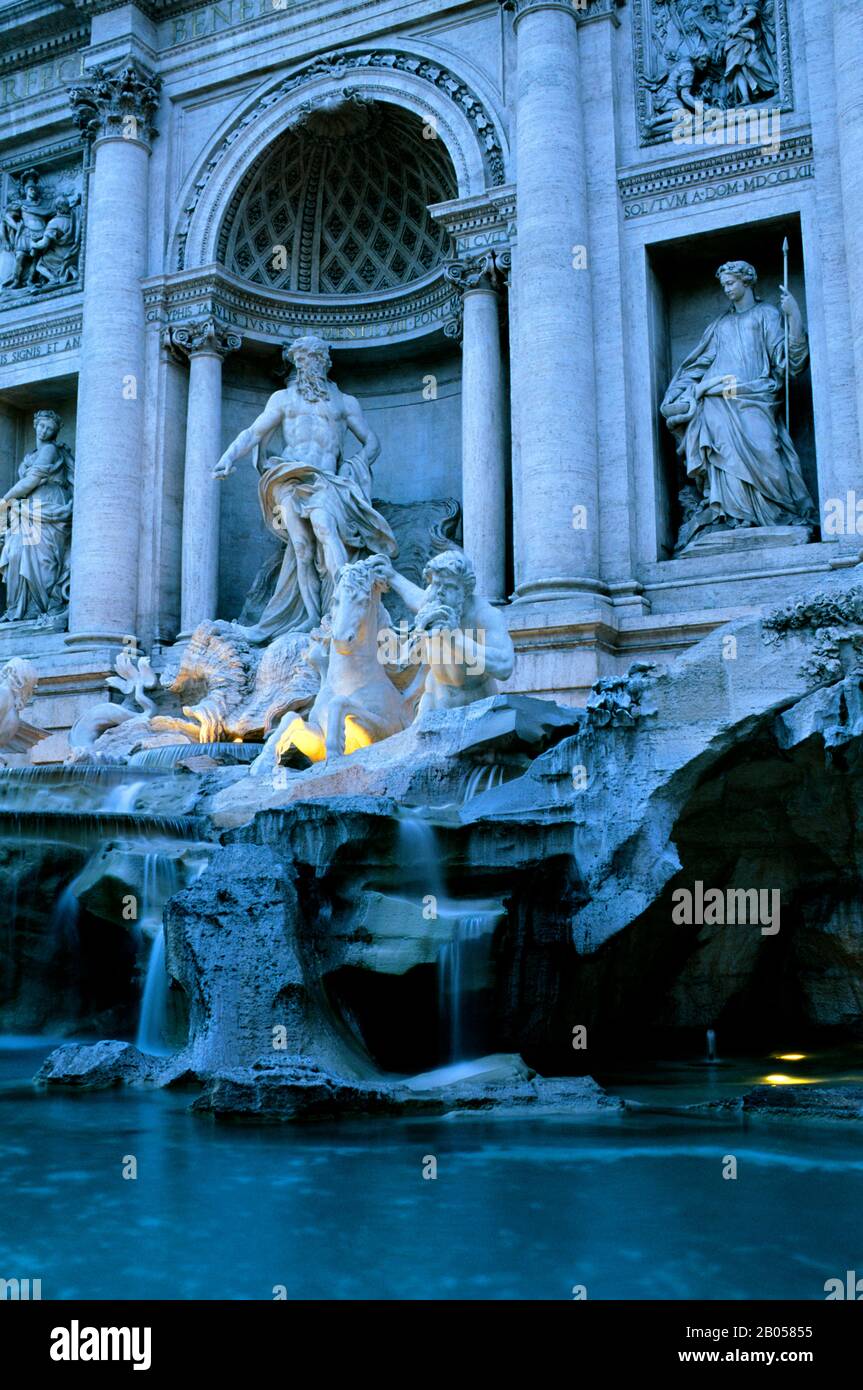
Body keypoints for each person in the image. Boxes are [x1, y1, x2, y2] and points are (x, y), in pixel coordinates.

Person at [214, 335, 396, 639]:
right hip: (289, 476)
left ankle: (343, 604)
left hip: (325, 480)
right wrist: (227, 457)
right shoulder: (282, 399)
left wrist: (354, 468)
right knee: (301, 547)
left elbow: (372, 442)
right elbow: (253, 432)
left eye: (313, 358)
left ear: (325, 362)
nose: (307, 365)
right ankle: (312, 615)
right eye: (301, 360)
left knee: (325, 527)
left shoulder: (343, 402)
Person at [661, 259, 815, 551]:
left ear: (747, 282)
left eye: (730, 283)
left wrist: (794, 317)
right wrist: (683, 393)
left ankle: (781, 512)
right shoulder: (719, 325)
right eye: (723, 285)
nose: (726, 289)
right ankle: (733, 514)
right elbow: (696, 365)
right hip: (722, 399)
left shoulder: (767, 315)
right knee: (723, 452)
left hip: (756, 396)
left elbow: (789, 364)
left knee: (767, 451)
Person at [0, 410, 74, 624]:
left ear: (55, 433)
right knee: (15, 553)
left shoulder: (50, 450)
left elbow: (32, 480)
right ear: (35, 424)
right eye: (42, 426)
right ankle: (17, 608)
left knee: (42, 558)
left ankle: (38, 606)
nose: (45, 431)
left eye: (50, 429)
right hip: (27, 508)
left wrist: (5, 501)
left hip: (48, 505)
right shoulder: (30, 455)